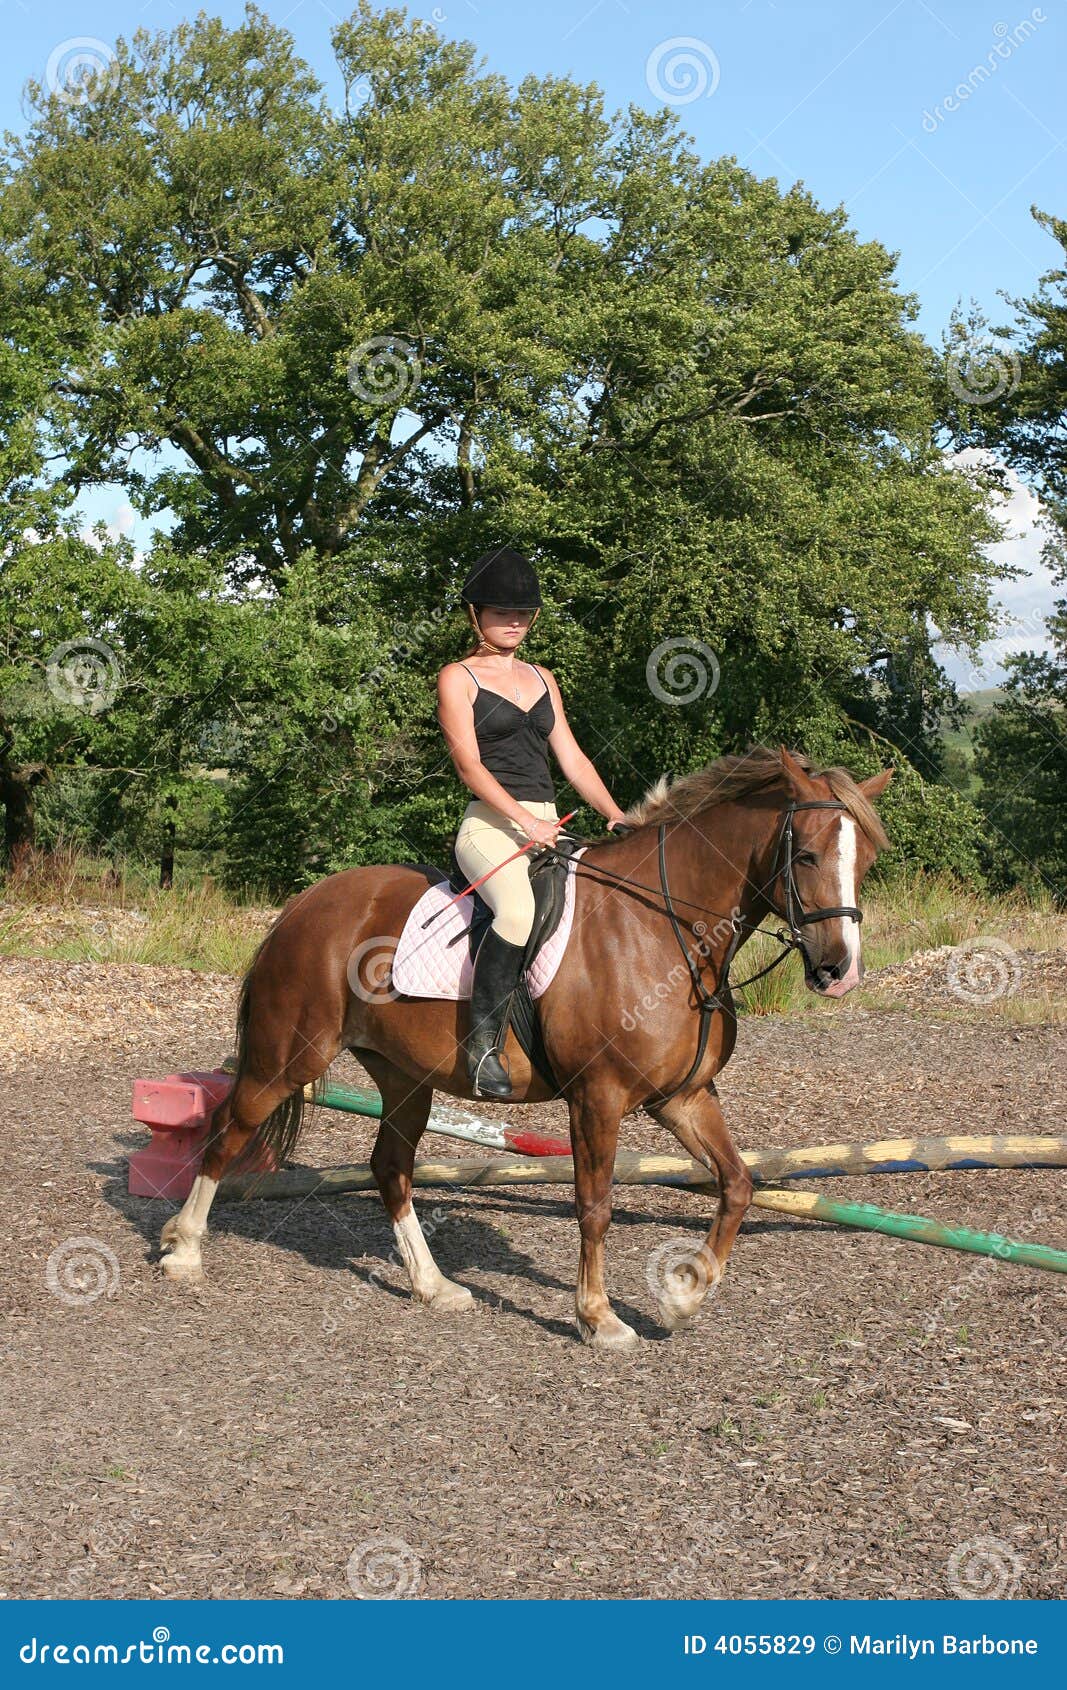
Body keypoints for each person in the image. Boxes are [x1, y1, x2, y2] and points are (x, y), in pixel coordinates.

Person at [437, 546, 630, 1098]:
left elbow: (572, 758)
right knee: (518, 913)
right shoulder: (459, 678)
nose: (514, 622)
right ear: (475, 614)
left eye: (523, 613)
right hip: (490, 826)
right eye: (502, 612)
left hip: (549, 824)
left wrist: (616, 815)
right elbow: (470, 767)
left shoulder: (543, 677)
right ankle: (483, 1047)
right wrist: (524, 820)